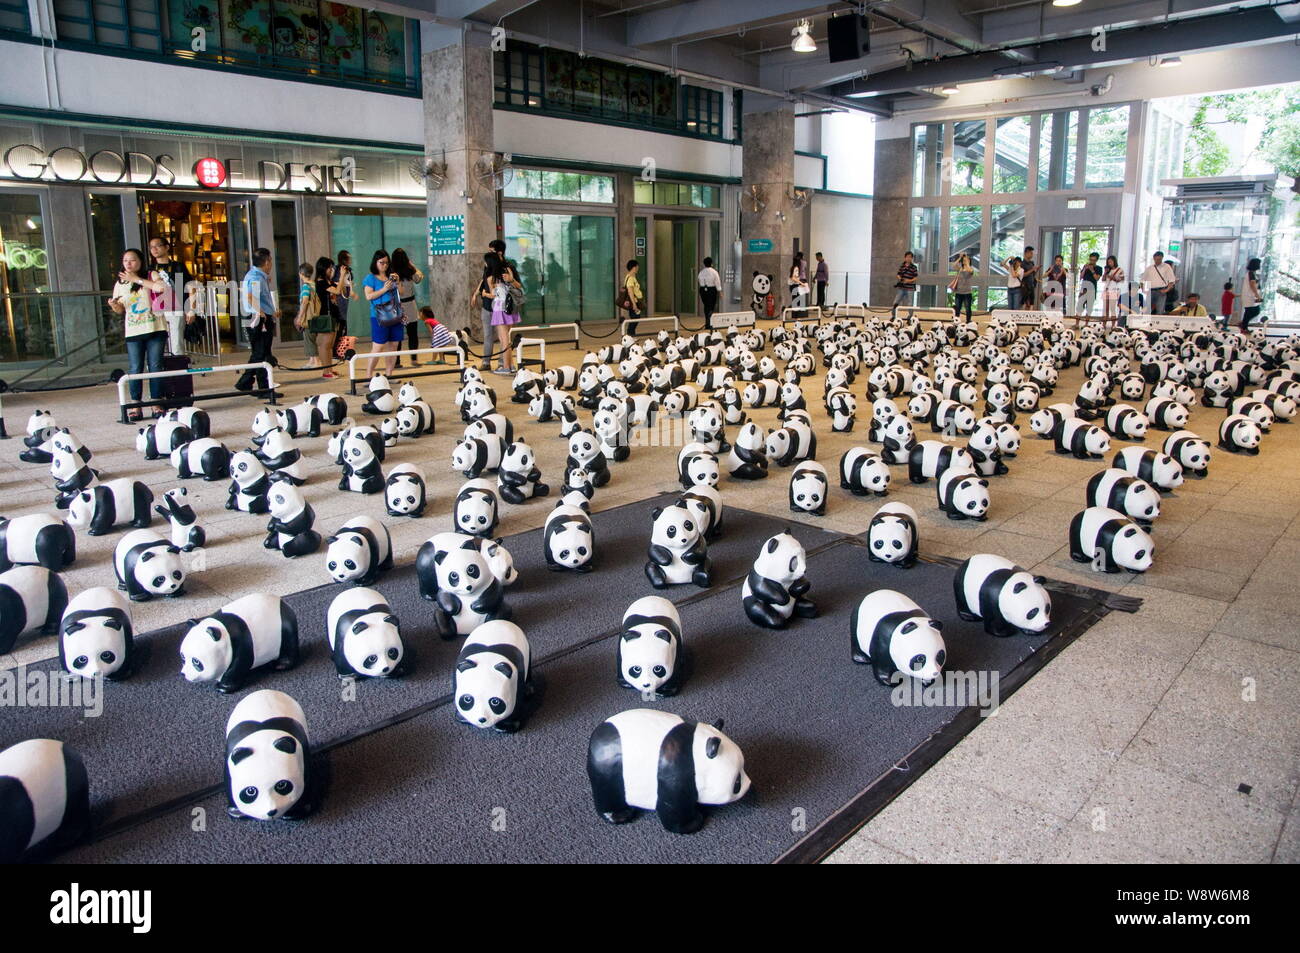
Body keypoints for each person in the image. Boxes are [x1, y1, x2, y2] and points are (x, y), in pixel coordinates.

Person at [109, 248, 168, 421]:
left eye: (132, 260)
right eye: (125, 260)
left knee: (155, 365)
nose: (128, 263)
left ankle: (156, 402)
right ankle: (136, 404)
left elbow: (161, 288)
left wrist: (137, 280)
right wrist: (114, 305)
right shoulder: (120, 283)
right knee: (135, 367)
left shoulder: (151, 274)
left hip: (155, 327)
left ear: (140, 261)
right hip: (134, 330)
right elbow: (120, 309)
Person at [147, 236, 195, 355]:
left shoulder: (177, 267)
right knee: (158, 346)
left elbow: (190, 287)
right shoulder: (149, 269)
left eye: (157, 245)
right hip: (156, 310)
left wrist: (191, 309)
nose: (154, 249)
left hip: (175, 309)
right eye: (151, 247)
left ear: (167, 247)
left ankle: (177, 370)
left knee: (176, 344)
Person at [237, 247, 276, 393]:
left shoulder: (257, 275)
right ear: (266, 262)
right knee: (261, 353)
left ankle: (247, 382)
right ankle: (260, 387)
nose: (271, 264)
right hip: (257, 318)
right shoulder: (256, 277)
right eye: (270, 261)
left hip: (256, 316)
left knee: (261, 352)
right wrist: (261, 313)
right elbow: (250, 296)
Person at [361, 249, 402, 378]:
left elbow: (402, 292)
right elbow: (368, 296)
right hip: (379, 315)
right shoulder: (370, 278)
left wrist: (398, 282)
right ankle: (369, 375)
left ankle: (389, 374)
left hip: (395, 313)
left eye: (386, 263)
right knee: (378, 346)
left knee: (394, 345)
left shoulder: (391, 277)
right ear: (375, 262)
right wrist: (384, 289)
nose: (384, 265)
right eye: (381, 262)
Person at [483, 253, 520, 376]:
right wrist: (511, 280)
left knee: (504, 340)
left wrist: (484, 294)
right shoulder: (508, 271)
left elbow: (494, 295)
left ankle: (506, 367)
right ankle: (511, 365)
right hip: (512, 308)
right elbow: (519, 287)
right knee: (506, 339)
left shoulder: (491, 279)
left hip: (500, 309)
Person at [389, 248, 426, 368]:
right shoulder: (410, 271)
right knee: (412, 334)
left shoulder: (391, 272)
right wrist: (412, 265)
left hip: (397, 305)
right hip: (410, 305)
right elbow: (419, 278)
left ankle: (397, 361)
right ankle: (414, 359)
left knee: (397, 335)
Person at [312, 256, 340, 379]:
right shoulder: (320, 282)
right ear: (323, 268)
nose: (331, 270)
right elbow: (338, 291)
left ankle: (330, 369)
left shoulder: (328, 281)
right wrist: (343, 275)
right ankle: (325, 371)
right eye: (329, 268)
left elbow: (341, 289)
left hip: (332, 315)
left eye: (332, 268)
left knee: (330, 345)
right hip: (324, 316)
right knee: (324, 344)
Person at [1141, 251, 1177, 316]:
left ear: (1162, 258)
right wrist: (1144, 290)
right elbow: (1143, 280)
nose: (1157, 261)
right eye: (1156, 259)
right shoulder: (1149, 268)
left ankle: (1157, 325)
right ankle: (1145, 324)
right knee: (1147, 310)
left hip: (1161, 291)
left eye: (1159, 259)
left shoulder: (1167, 267)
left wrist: (1166, 290)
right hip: (1150, 291)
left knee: (1159, 311)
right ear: (1154, 258)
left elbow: (1172, 280)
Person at [334, 250, 358, 339]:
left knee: (344, 323)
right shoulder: (336, 270)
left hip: (345, 301)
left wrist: (353, 293)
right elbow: (334, 283)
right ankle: (338, 346)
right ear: (344, 259)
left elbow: (350, 287)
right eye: (349, 258)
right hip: (338, 300)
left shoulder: (349, 272)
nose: (350, 260)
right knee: (340, 323)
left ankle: (342, 345)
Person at [891, 251, 918, 316]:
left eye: (910, 257)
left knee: (910, 304)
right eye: (907, 257)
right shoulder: (902, 266)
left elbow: (915, 277)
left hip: (910, 288)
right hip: (901, 288)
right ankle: (893, 316)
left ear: (912, 258)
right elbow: (898, 274)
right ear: (905, 258)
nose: (908, 258)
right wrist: (900, 279)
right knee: (896, 302)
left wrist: (909, 280)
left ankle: (910, 317)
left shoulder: (914, 267)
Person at [949, 253, 974, 320]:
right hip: (959, 292)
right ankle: (957, 320)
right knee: (958, 308)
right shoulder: (960, 268)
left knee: (968, 308)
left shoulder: (970, 269)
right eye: (964, 260)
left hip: (967, 292)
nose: (964, 261)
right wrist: (960, 258)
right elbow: (953, 266)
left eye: (966, 260)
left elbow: (970, 271)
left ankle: (968, 321)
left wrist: (967, 263)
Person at [1240, 258, 1262, 332]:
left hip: (1251, 296)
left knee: (1253, 311)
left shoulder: (1252, 273)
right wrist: (1257, 295)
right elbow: (1252, 284)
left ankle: (1243, 324)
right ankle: (1244, 326)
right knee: (1251, 311)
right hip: (1249, 296)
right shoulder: (1251, 274)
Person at [697, 256, 721, 324]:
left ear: (704, 264)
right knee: (711, 306)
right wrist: (719, 291)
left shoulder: (701, 272)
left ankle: (707, 321)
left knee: (706, 306)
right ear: (711, 263)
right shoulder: (714, 272)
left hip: (702, 289)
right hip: (711, 289)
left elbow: (699, 280)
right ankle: (710, 322)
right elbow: (717, 282)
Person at [1102, 256, 1125, 323]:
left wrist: (1113, 277)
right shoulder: (1107, 270)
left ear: (1114, 261)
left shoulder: (1119, 270)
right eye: (1108, 262)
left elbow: (1121, 280)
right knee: (1105, 308)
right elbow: (1103, 280)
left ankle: (1113, 325)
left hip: (1114, 289)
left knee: (1112, 308)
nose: (1110, 263)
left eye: (1111, 262)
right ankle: (1104, 324)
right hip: (1106, 289)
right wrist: (1105, 273)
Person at [1077, 252, 1101, 317]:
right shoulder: (1085, 266)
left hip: (1092, 289)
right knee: (1079, 305)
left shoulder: (1099, 268)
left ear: (1096, 260)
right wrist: (1085, 269)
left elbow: (1097, 278)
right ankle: (1077, 323)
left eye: (1093, 260)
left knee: (1089, 307)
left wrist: (1092, 270)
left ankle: (1086, 324)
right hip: (1084, 288)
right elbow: (1081, 277)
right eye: (1090, 260)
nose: (1092, 261)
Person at [622, 259, 643, 323]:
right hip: (634, 301)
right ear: (634, 267)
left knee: (635, 319)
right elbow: (630, 292)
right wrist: (634, 304)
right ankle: (630, 333)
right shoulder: (630, 278)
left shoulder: (631, 277)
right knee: (635, 319)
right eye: (637, 267)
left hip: (634, 301)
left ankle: (631, 332)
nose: (637, 268)